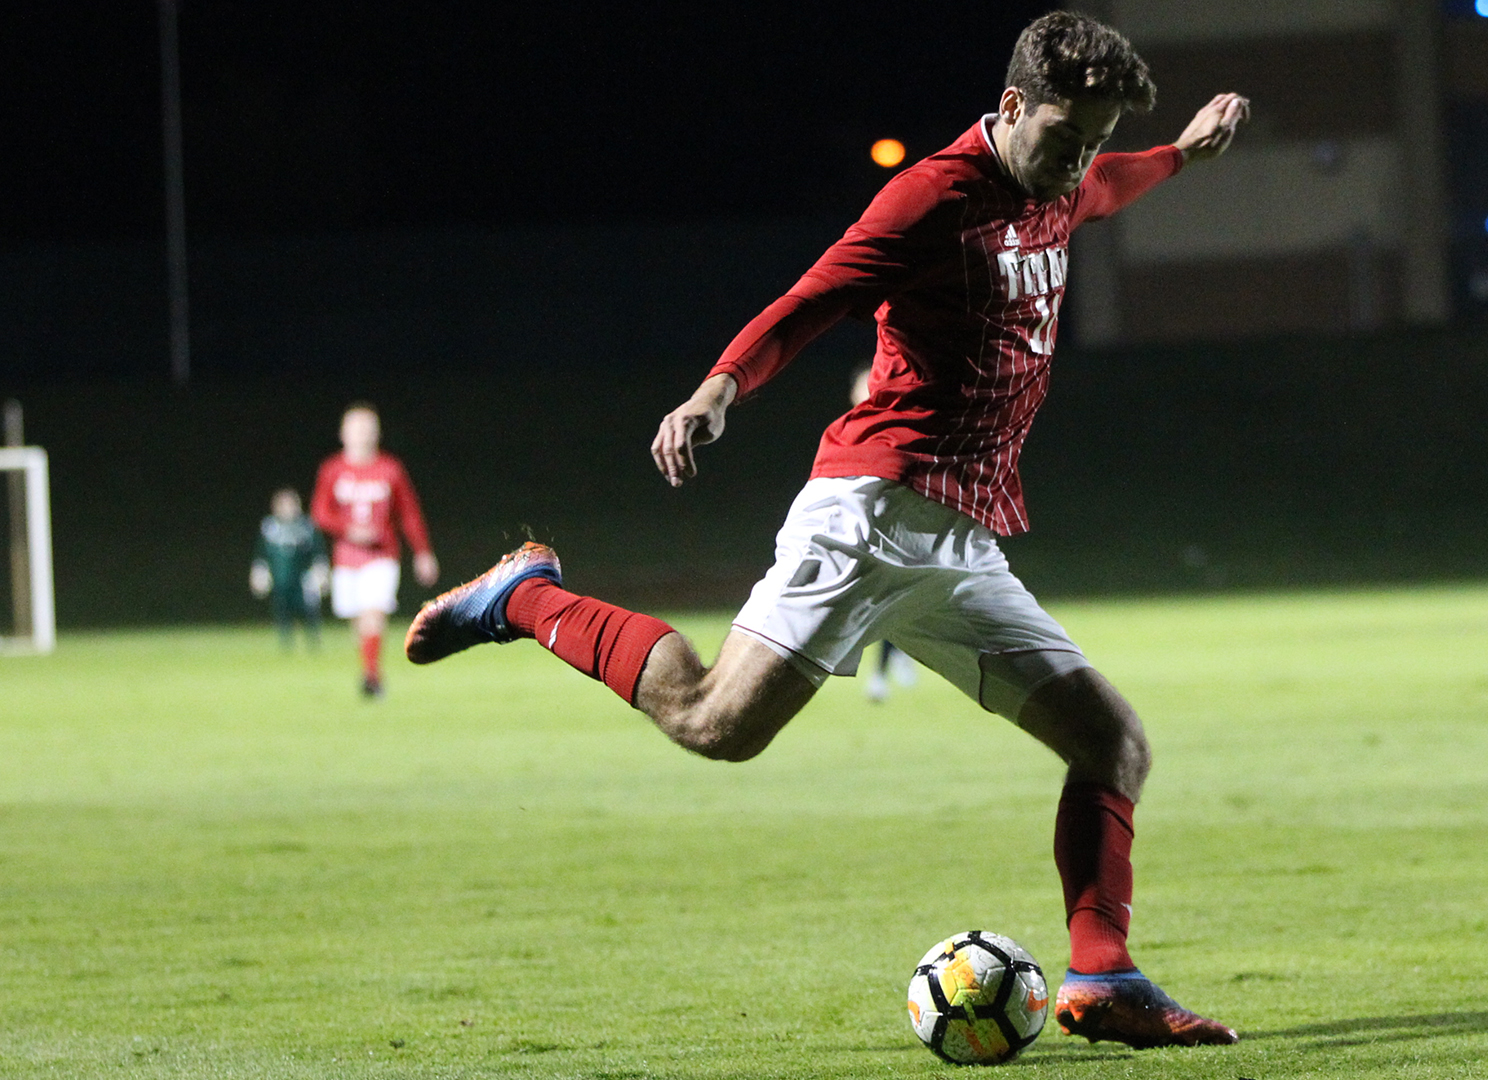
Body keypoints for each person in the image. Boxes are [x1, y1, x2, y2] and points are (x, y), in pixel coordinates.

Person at [407, 12, 1247, 1049]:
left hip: (961, 539)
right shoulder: (930, 197)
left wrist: (1180, 153)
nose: (1078, 163)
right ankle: (524, 596)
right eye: (1068, 137)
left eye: (1094, 141)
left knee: (1111, 743)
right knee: (717, 724)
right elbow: (812, 298)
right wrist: (720, 390)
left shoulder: (1063, 177)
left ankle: (1102, 979)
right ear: (1016, 106)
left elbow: (1109, 187)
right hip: (869, 513)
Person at [311, 402, 438, 697]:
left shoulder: (389, 469)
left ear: (377, 433)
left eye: (368, 428)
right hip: (346, 556)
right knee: (357, 619)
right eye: (356, 428)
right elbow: (320, 512)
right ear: (343, 433)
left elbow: (409, 513)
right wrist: (349, 529)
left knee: (373, 613)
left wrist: (423, 552)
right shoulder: (333, 469)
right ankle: (368, 669)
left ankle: (372, 678)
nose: (362, 435)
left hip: (382, 554)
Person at [848, 362, 919, 702]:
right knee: (881, 603)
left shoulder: (897, 431)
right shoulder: (855, 434)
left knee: (889, 601)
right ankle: (894, 661)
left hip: (900, 530)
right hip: (870, 532)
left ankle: (881, 674)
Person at [249, 487, 328, 650]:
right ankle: (286, 642)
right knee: (282, 609)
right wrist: (258, 574)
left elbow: (318, 552)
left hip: (304, 577)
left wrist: (321, 572)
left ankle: (313, 641)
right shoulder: (269, 527)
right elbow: (261, 555)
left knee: (309, 609)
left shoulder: (307, 526)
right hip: (281, 578)